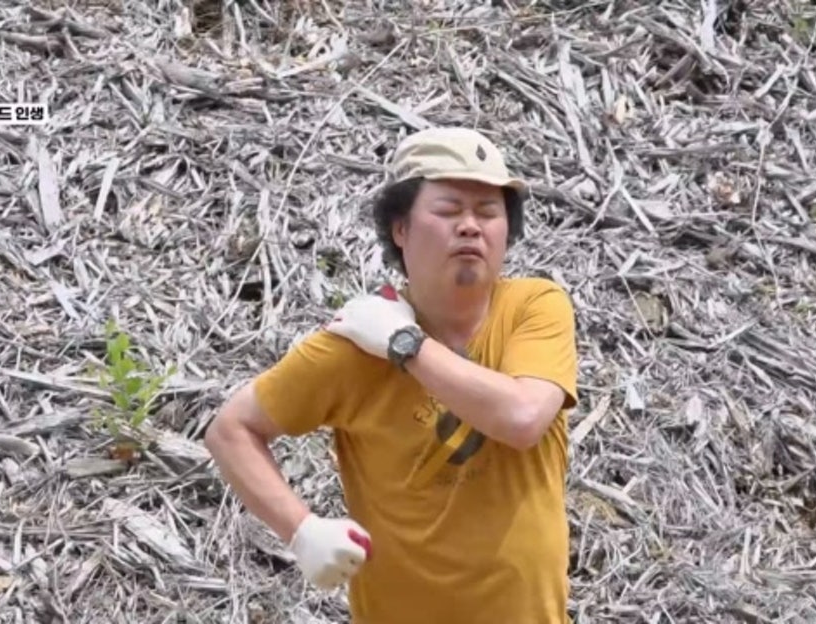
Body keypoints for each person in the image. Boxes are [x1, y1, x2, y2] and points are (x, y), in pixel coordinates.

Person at [204, 126, 580, 623]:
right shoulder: (353, 349)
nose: (471, 226)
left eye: (488, 212)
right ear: (400, 228)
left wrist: (406, 346)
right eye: (448, 210)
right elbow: (230, 430)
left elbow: (522, 417)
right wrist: (301, 530)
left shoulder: (535, 308)